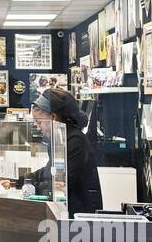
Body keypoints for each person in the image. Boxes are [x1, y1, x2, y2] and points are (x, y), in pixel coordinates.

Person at [29, 87, 102, 216]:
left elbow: (62, 182)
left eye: (39, 122)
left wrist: (31, 184)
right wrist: (24, 180)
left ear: (53, 117)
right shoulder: (59, 139)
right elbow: (49, 171)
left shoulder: (75, 141)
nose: (39, 128)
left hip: (80, 216)